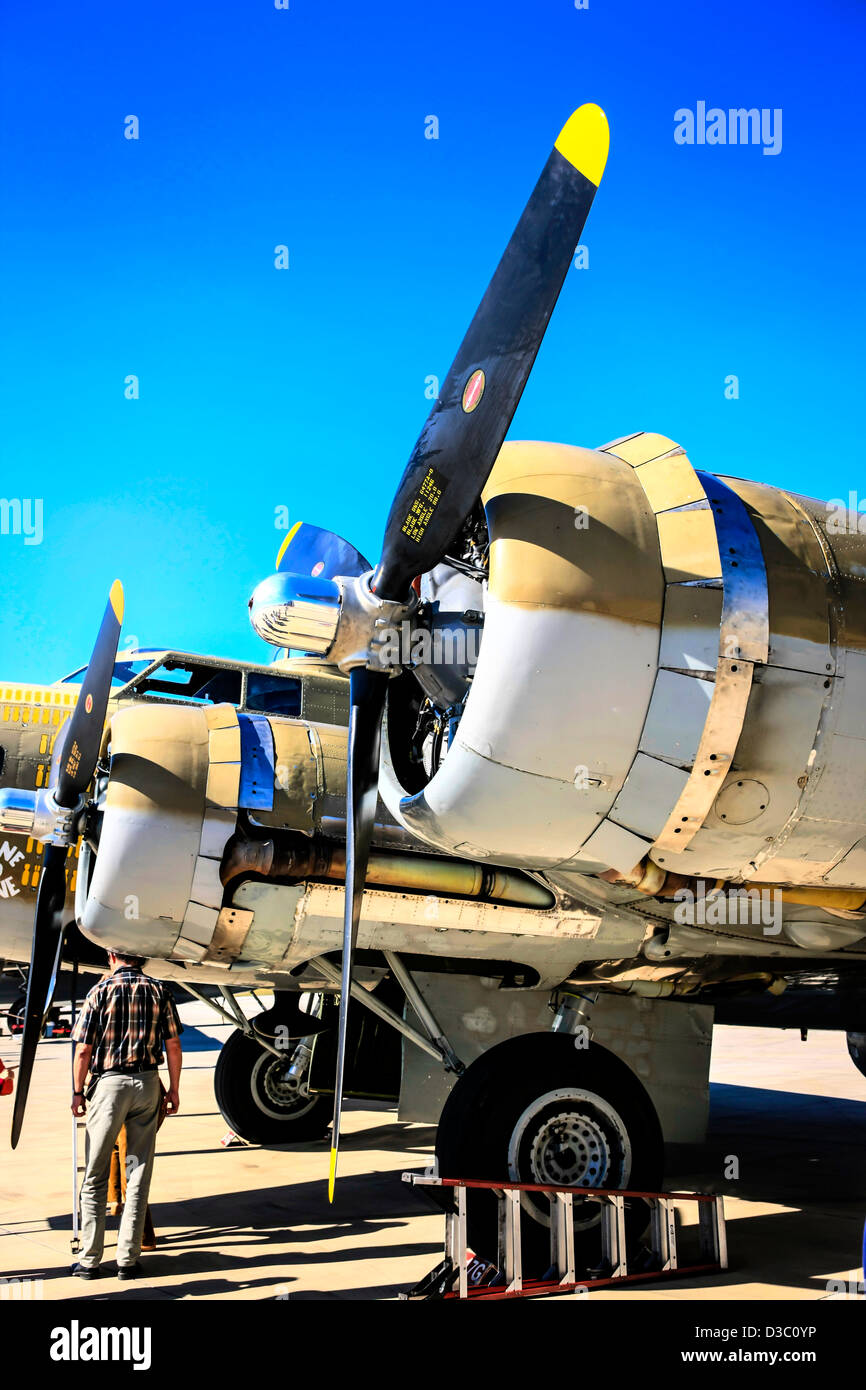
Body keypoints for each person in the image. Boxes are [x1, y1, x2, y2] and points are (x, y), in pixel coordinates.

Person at [69, 949, 183, 1279]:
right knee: (138, 1171)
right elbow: (173, 1045)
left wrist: (77, 1091)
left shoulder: (100, 991)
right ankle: (128, 1259)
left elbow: (84, 1050)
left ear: (111, 955)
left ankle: (90, 1260)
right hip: (148, 1084)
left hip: (109, 1087)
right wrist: (173, 1089)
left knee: (95, 1174)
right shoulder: (159, 990)